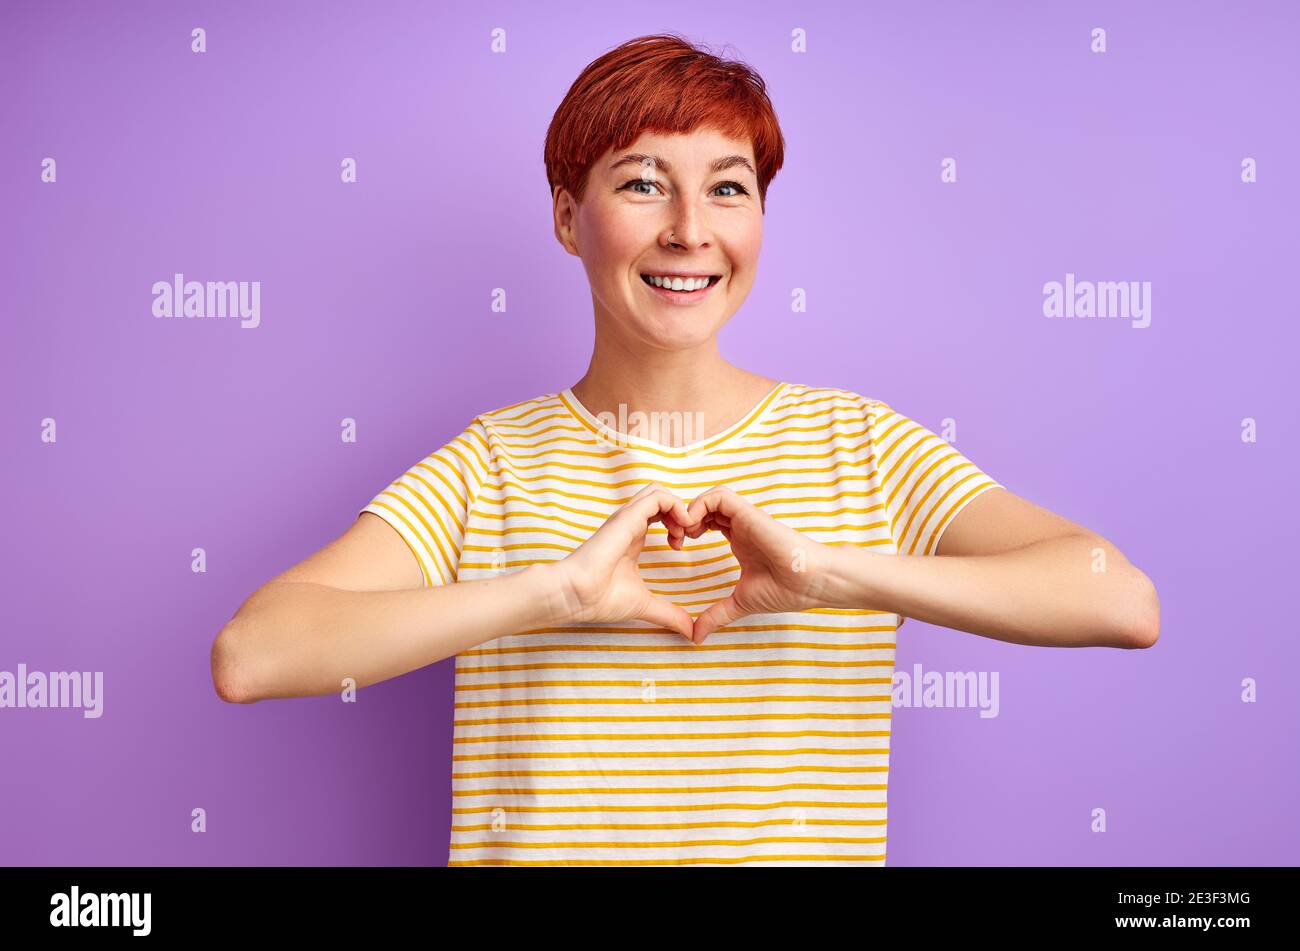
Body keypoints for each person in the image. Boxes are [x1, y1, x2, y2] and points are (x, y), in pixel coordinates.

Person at [210, 33, 1159, 866]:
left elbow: (1118, 600)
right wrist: (557, 595)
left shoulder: (863, 447)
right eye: (641, 183)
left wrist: (834, 574)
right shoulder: (491, 463)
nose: (690, 231)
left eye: (727, 189)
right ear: (565, 216)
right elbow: (253, 655)